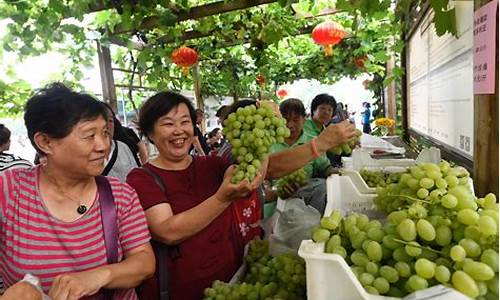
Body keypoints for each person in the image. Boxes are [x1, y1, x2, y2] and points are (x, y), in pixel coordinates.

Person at [0, 83, 155, 300]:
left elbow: (144, 262)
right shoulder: (7, 191)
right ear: (45, 142)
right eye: (89, 135)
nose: (103, 145)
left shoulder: (120, 195)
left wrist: (100, 276)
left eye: (104, 133)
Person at [126, 91, 262, 300]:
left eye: (185, 122)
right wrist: (221, 199)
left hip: (230, 281)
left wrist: (263, 134)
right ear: (150, 132)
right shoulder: (141, 178)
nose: (179, 131)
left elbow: (251, 175)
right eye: (168, 124)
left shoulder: (213, 164)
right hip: (180, 289)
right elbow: (167, 231)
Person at [101, 104, 141, 182]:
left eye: (110, 120)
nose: (107, 126)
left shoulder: (123, 147)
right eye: (102, 120)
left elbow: (135, 176)